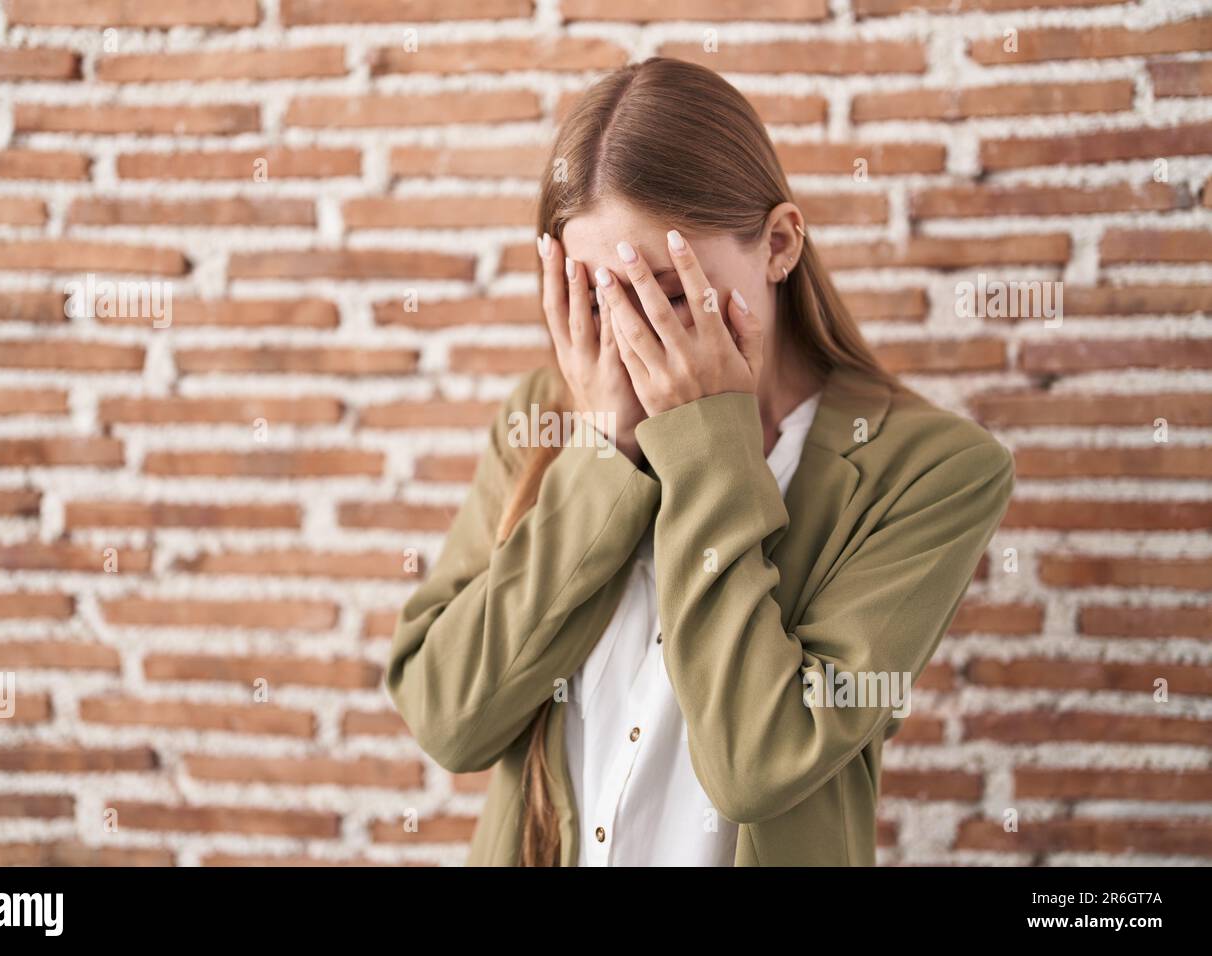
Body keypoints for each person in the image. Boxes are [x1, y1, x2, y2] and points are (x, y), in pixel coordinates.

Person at [386, 57, 1015, 866]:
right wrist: (602, 451)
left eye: (670, 296)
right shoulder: (545, 419)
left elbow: (758, 763)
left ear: (780, 244)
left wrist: (708, 445)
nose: (635, 337)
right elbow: (448, 718)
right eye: (600, 297)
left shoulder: (931, 471)